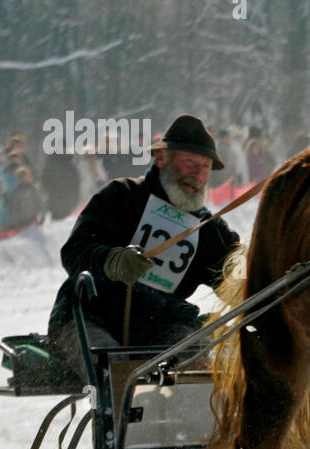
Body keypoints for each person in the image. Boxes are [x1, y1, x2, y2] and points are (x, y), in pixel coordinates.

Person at [45, 115, 240, 381]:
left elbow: (235, 275)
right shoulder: (121, 196)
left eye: (205, 167)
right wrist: (111, 261)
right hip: (91, 317)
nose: (198, 174)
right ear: (161, 159)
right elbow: (75, 251)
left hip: (162, 325)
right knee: (112, 370)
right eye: (189, 162)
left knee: (195, 361)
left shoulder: (208, 229)